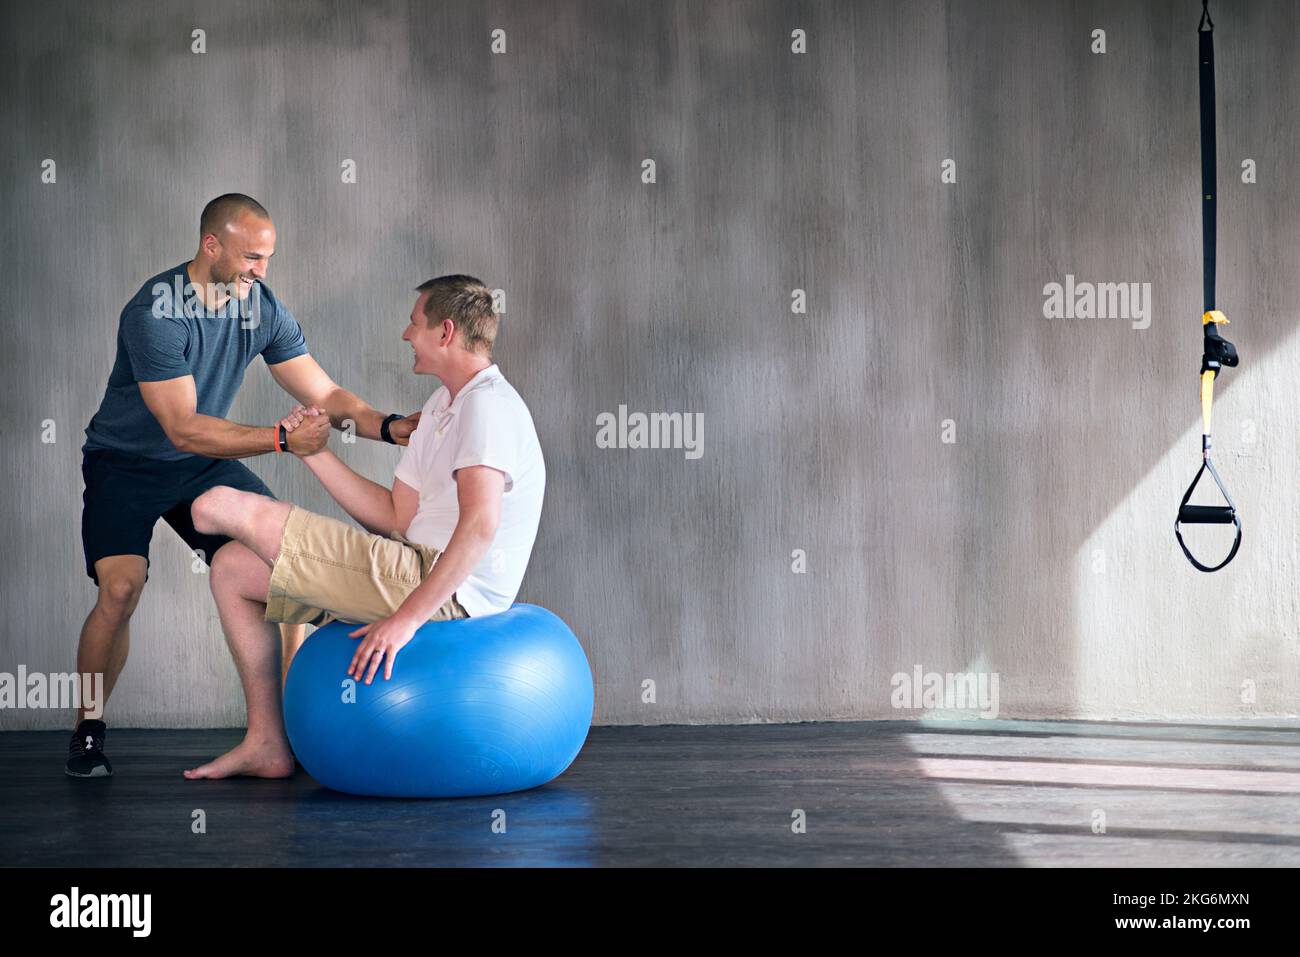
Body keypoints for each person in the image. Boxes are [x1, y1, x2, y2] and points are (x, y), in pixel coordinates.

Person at [70, 193, 422, 778]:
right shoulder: (155, 313)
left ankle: (280, 736)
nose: (262, 271)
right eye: (252, 258)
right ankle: (86, 731)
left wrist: (387, 426)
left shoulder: (259, 306)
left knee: (278, 565)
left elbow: (325, 394)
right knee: (120, 589)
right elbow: (183, 429)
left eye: (268, 258)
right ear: (212, 246)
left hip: (202, 463)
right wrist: (282, 441)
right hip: (126, 461)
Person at [181, 274, 546, 780]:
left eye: (413, 323)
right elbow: (394, 517)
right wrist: (314, 452)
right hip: (409, 562)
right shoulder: (443, 407)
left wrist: (406, 620)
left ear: (445, 332)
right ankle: (267, 743)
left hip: (445, 590)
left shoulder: (489, 407)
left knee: (215, 506)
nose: (404, 334)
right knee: (232, 567)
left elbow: (480, 527)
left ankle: (277, 736)